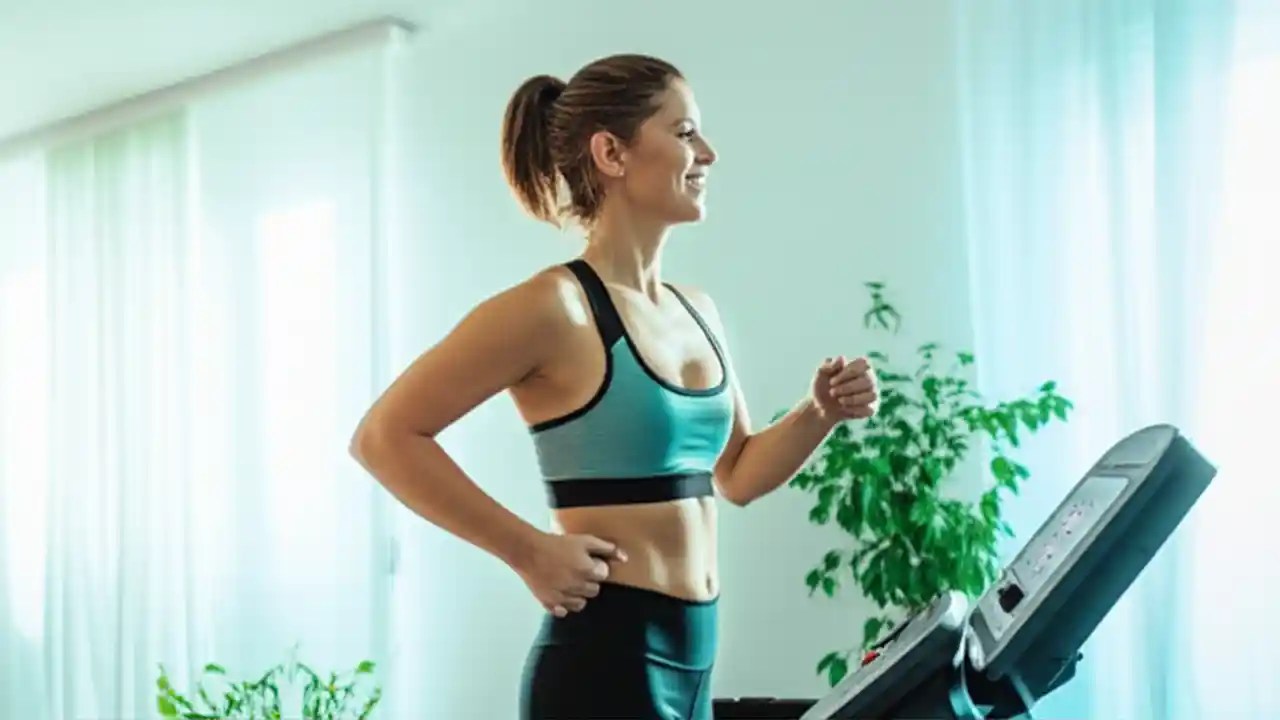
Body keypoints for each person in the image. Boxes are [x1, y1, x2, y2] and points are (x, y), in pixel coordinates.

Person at [348, 53, 879, 720]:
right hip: (602, 667)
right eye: (685, 133)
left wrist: (819, 412)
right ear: (612, 152)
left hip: (694, 664)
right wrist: (528, 551)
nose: (707, 152)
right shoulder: (555, 308)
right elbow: (384, 436)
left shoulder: (698, 310)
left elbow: (738, 475)